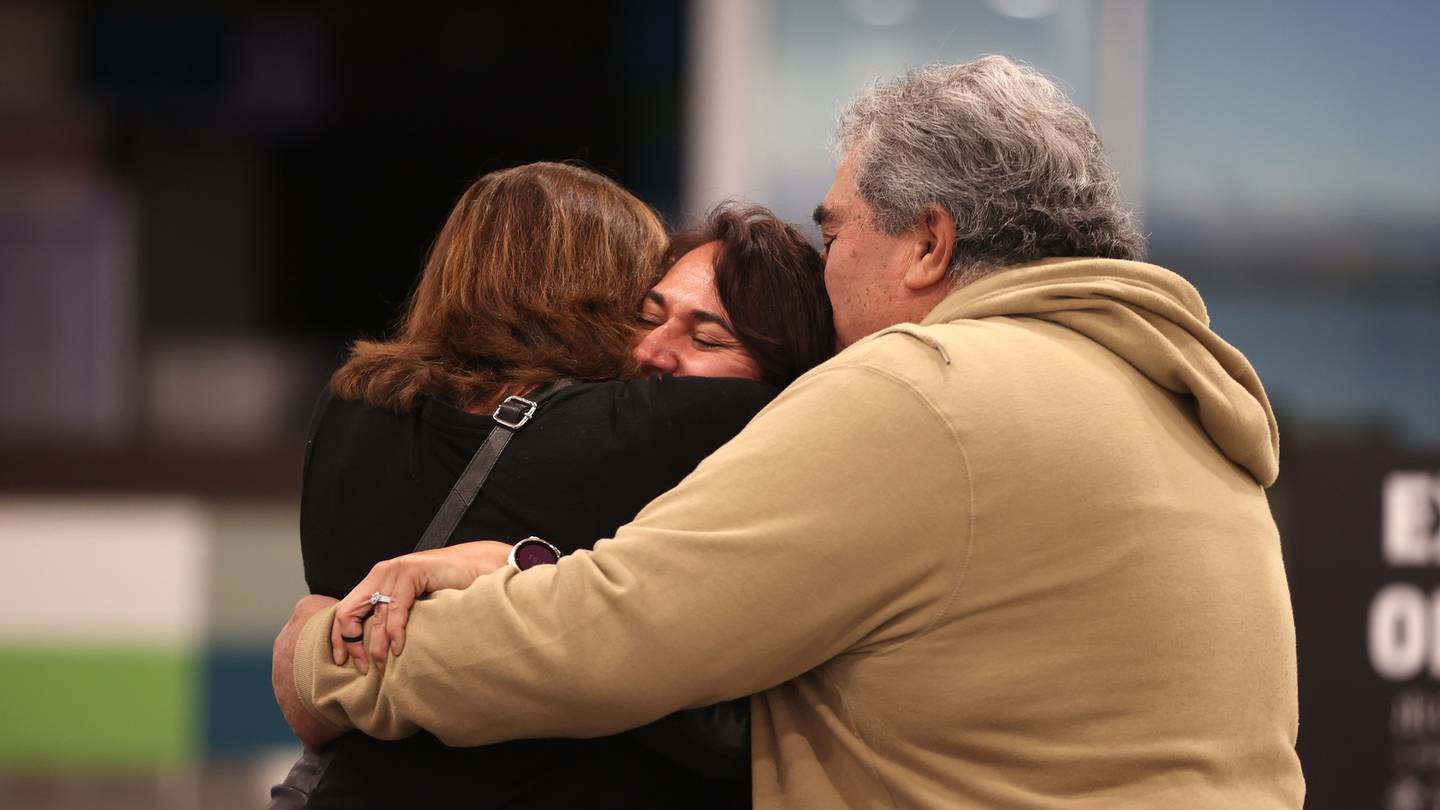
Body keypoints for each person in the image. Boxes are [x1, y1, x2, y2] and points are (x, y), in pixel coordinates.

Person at [276, 56, 1305, 808]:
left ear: (929, 242)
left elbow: (606, 638)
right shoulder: (1179, 408)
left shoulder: (928, 393)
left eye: (834, 229)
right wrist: (527, 561)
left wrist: (324, 654)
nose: (826, 266)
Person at [286, 161, 834, 808]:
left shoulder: (350, 400)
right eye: (644, 311)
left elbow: (311, 692)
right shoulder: (642, 427)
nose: (651, 350)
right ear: (601, 291)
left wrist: (310, 646)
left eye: (706, 335)